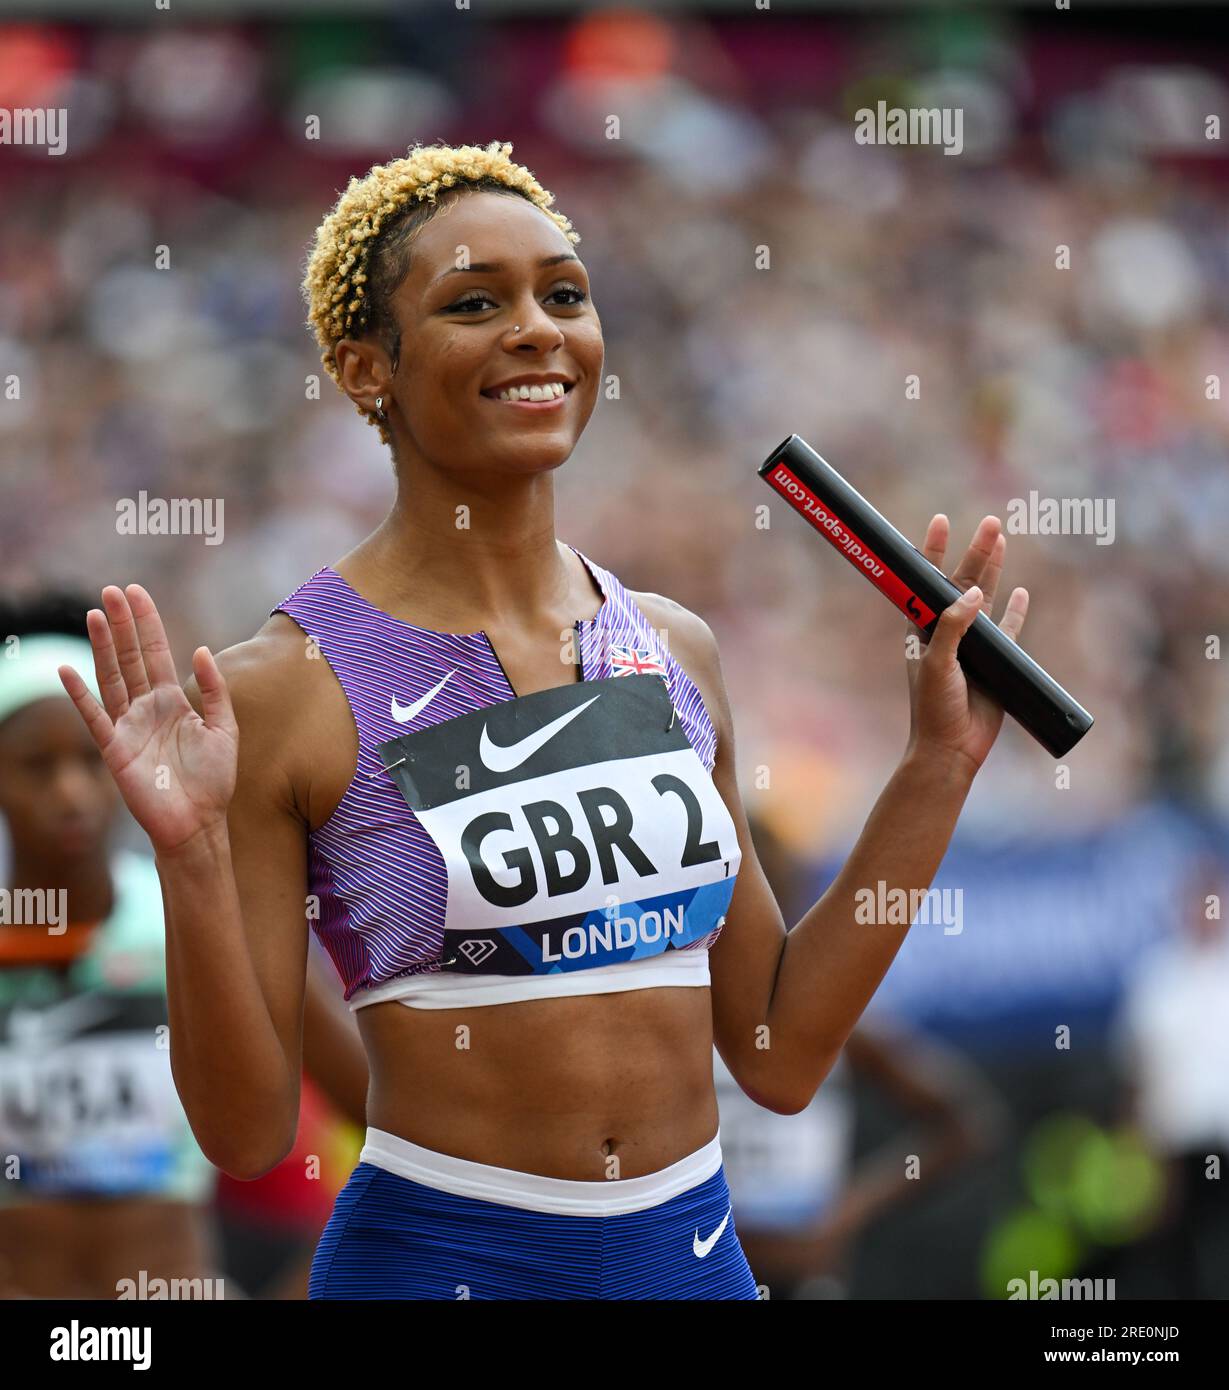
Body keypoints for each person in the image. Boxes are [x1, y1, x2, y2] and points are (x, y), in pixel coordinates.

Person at [59, 139, 1030, 1300]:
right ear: (365, 368)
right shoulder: (283, 688)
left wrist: (936, 764)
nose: (535, 329)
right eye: (475, 303)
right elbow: (246, 1135)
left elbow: (776, 1052)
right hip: (440, 1265)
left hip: (689, 1263)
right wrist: (190, 859)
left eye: (562, 294)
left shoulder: (674, 648)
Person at [0, 594, 218, 1299]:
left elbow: (382, 1121)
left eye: (92, 760)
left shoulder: (189, 920)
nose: (71, 794)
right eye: (36, 766)